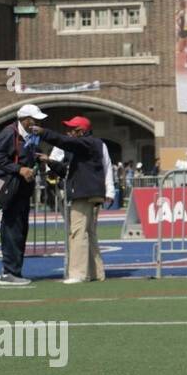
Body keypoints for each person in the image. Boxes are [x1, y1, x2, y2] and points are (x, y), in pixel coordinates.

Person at [35, 116, 113, 283]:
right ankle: (96, 272)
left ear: (81, 131)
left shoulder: (88, 143)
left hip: (84, 193)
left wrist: (43, 133)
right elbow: (68, 171)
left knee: (77, 231)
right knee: (89, 233)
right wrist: (49, 161)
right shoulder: (90, 146)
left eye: (72, 129)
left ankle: (78, 273)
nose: (68, 132)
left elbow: (64, 142)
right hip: (90, 192)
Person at [0, 103, 47, 286]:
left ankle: (12, 271)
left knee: (19, 231)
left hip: (22, 191)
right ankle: (10, 272)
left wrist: (37, 159)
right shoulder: (9, 133)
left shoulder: (29, 135)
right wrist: (19, 169)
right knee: (12, 231)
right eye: (35, 119)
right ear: (26, 119)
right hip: (11, 190)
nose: (37, 122)